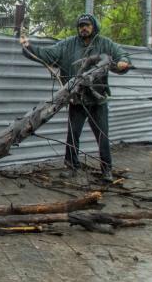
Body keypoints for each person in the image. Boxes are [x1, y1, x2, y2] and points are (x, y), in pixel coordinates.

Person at [20, 13, 132, 182]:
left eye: (87, 25)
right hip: (77, 99)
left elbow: (121, 54)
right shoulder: (68, 44)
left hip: (98, 100)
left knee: (102, 136)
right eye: (81, 26)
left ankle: (107, 170)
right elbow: (47, 54)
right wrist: (28, 47)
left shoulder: (105, 43)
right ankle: (71, 166)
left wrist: (123, 61)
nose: (84, 28)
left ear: (94, 26)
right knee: (73, 134)